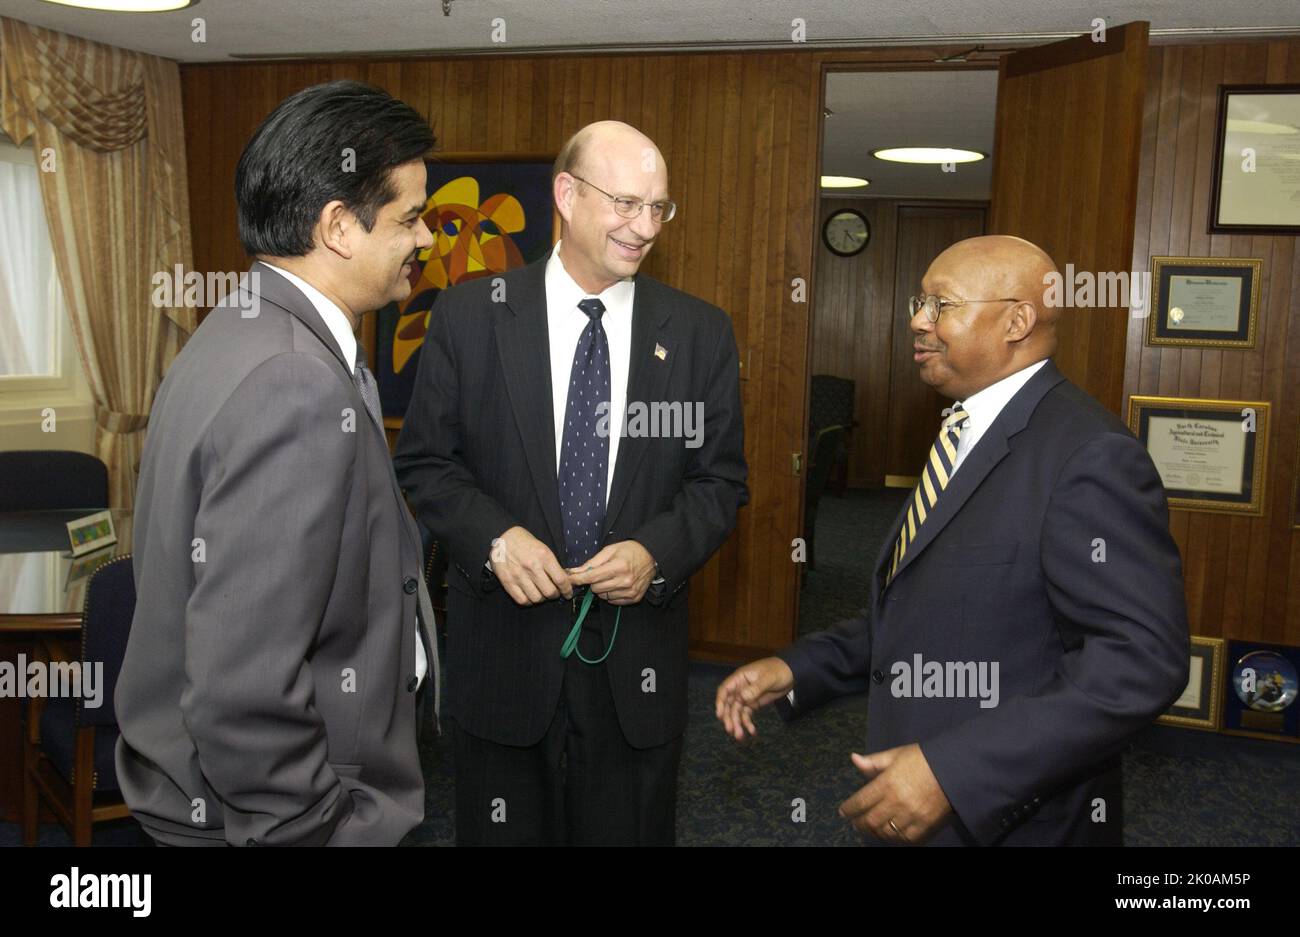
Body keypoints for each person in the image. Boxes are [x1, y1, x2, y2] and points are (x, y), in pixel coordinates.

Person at [716, 235, 1189, 846]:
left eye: (941, 304)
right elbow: (933, 605)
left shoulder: (1089, 456)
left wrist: (955, 771)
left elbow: (1139, 661)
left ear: (1017, 320)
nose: (917, 319)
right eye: (920, 301)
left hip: (1015, 821)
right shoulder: (965, 429)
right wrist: (800, 667)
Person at [395, 120, 748, 845]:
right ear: (566, 193)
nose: (644, 225)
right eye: (625, 202)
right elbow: (427, 462)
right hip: (502, 661)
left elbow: (718, 482)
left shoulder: (699, 333)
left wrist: (657, 552)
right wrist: (493, 539)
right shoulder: (469, 316)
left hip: (635, 676)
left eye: (659, 208)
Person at [115, 80, 439, 846]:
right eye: (412, 217)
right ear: (337, 227)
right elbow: (243, 687)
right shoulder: (290, 381)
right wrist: (315, 829)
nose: (426, 240)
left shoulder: (239, 327)